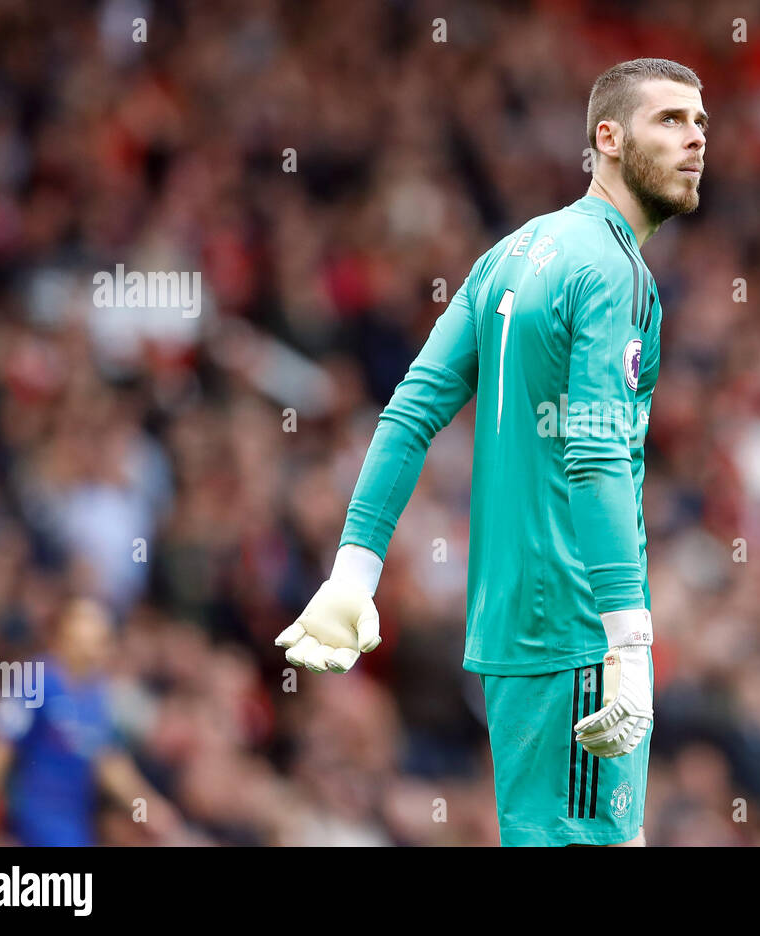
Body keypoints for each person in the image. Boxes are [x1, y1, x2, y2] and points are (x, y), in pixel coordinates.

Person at [276, 56, 707, 846]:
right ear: (607, 138)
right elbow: (597, 456)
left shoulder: (506, 256)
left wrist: (353, 571)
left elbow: (408, 416)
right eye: (670, 121)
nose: (694, 141)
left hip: (511, 626)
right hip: (579, 627)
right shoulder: (616, 270)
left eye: (700, 123)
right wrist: (630, 641)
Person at [0, 597, 182, 846]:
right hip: (29, 821)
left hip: (74, 824)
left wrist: (147, 805)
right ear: (62, 635)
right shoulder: (37, 680)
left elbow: (108, 761)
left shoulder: (99, 697)